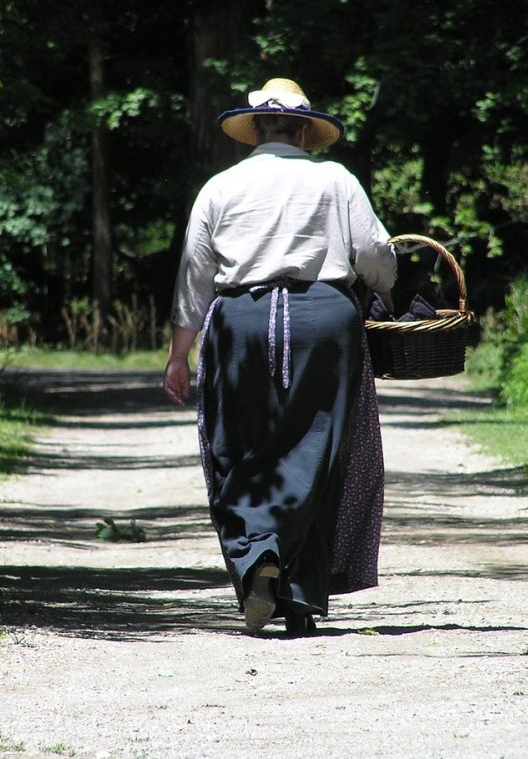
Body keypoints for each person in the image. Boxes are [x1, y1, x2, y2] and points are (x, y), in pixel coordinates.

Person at [163, 78, 396, 636]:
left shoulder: (220, 187)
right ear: (304, 131)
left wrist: (178, 355)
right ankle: (298, 598)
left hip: (240, 321)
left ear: (255, 130)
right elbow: (374, 255)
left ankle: (258, 554)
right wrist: (386, 285)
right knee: (318, 450)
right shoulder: (336, 180)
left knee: (237, 444)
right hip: (325, 322)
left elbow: (195, 277)